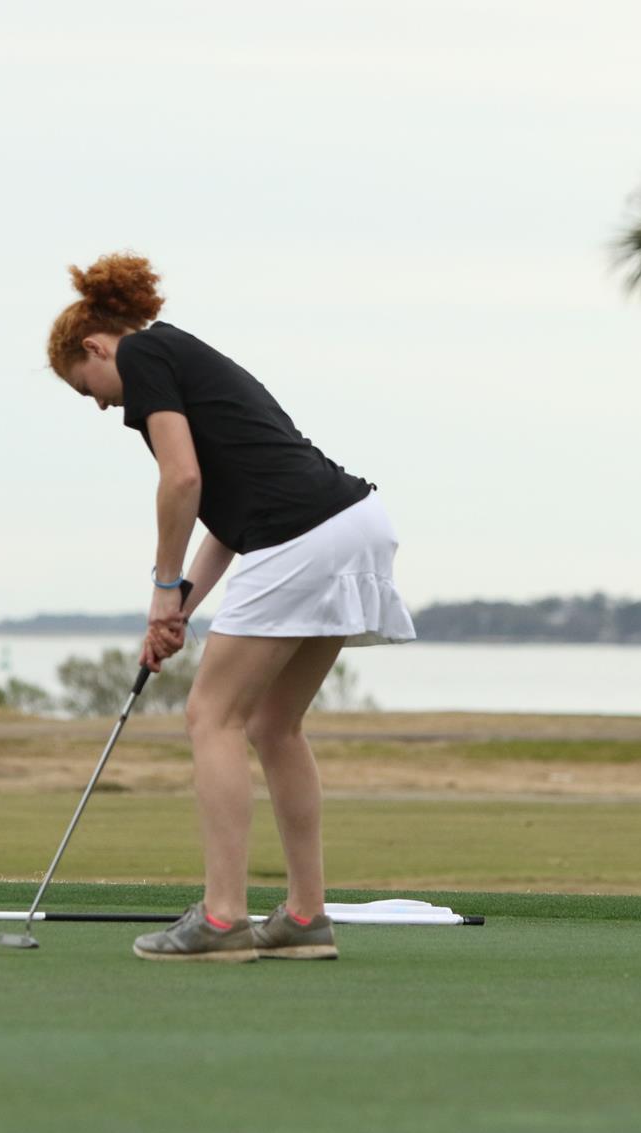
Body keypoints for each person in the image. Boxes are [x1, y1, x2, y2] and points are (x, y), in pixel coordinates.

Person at [45, 252, 417, 963]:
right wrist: (181, 604)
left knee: (209, 716)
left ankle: (221, 920)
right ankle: (306, 915)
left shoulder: (147, 352)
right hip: (352, 521)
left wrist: (159, 587)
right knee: (275, 723)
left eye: (84, 386)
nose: (97, 403)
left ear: (95, 346)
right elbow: (226, 515)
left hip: (303, 533)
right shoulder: (185, 358)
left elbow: (179, 479)